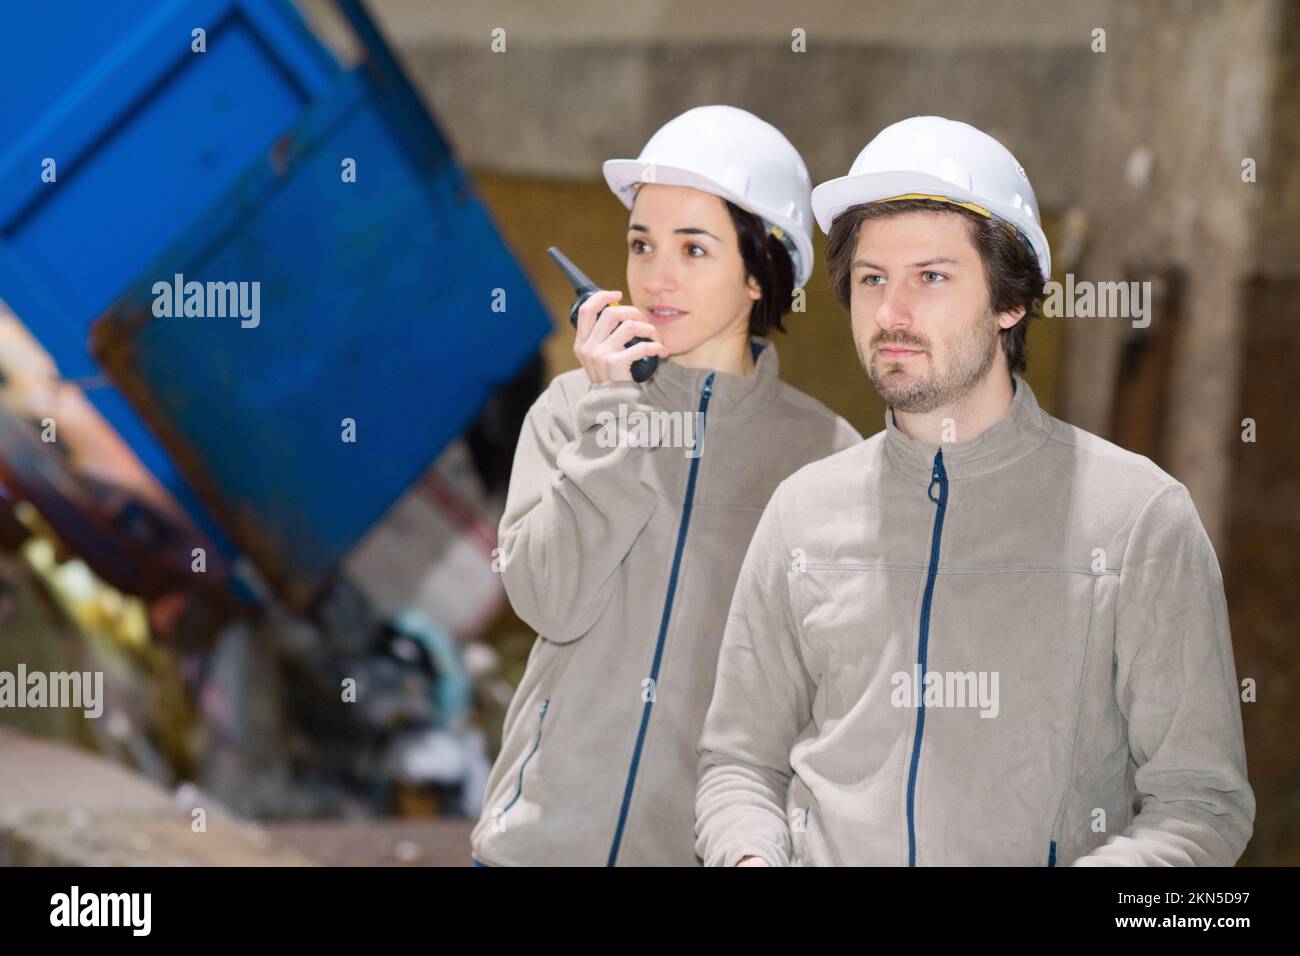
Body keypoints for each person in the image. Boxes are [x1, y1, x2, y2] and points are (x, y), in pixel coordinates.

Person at [695, 116, 1255, 866]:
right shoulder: (802, 513)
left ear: (1009, 301)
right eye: (872, 279)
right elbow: (739, 764)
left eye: (930, 277)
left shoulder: (1138, 520)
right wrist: (750, 857)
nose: (890, 314)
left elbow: (1200, 805)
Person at [469, 105, 862, 866]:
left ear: (758, 270)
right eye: (641, 243)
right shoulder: (573, 410)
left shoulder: (825, 458)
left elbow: (831, 701)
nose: (656, 277)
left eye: (693, 248)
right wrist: (614, 416)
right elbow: (549, 599)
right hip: (534, 850)